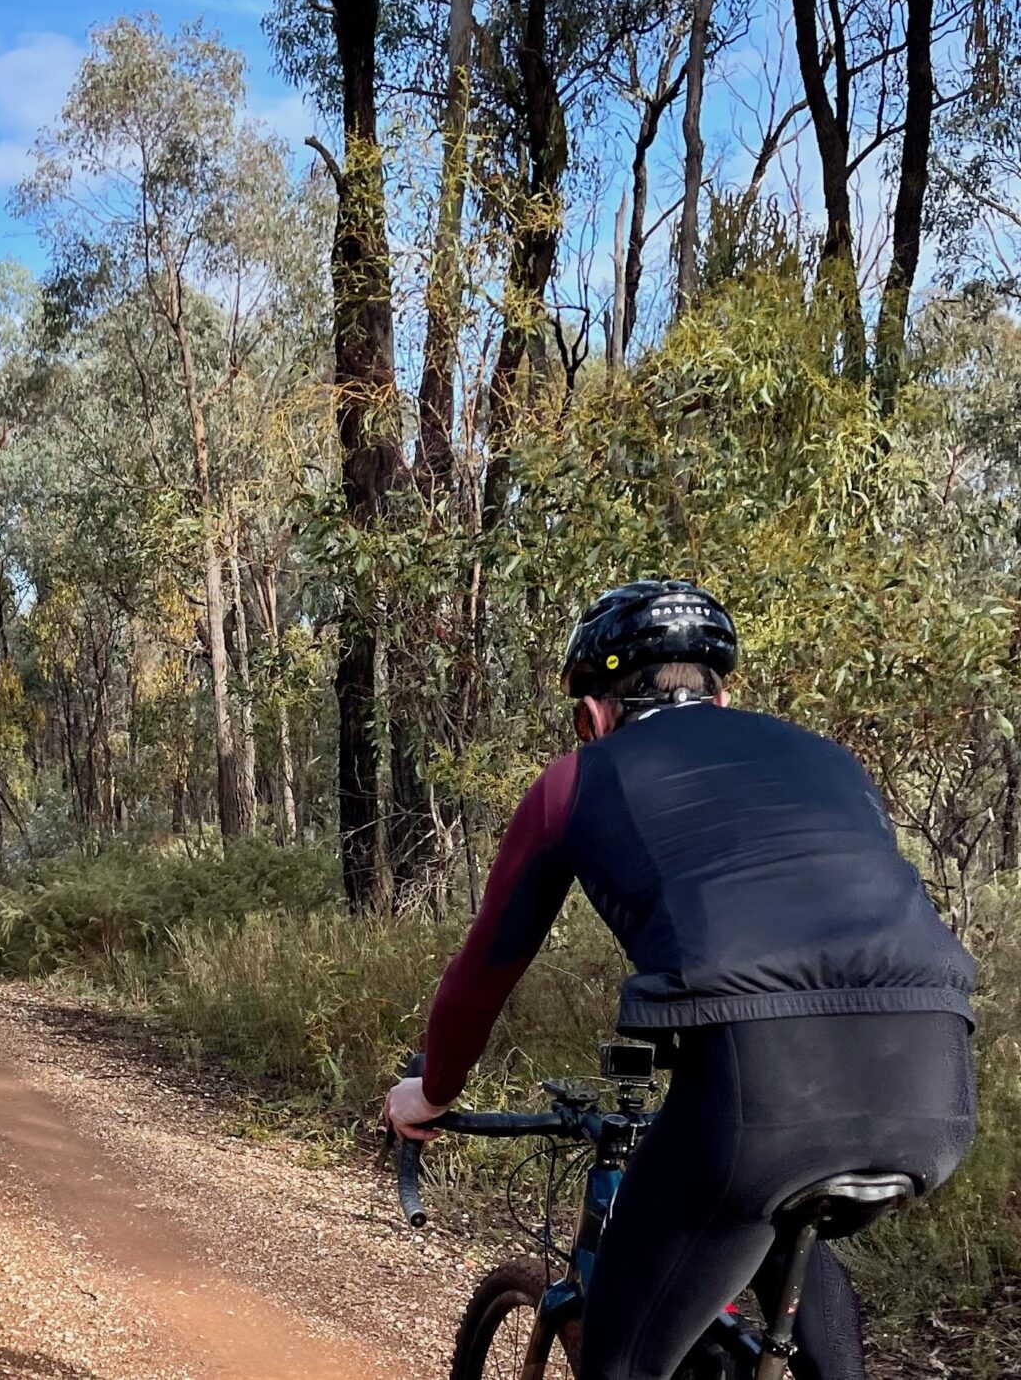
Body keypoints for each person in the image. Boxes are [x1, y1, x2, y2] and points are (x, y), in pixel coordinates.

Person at [383, 580, 979, 1380]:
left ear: (594, 716)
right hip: (937, 1084)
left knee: (626, 1359)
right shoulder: (834, 762)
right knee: (779, 1211)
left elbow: (483, 972)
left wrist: (431, 1093)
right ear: (721, 697)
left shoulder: (575, 782)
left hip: (760, 1095)